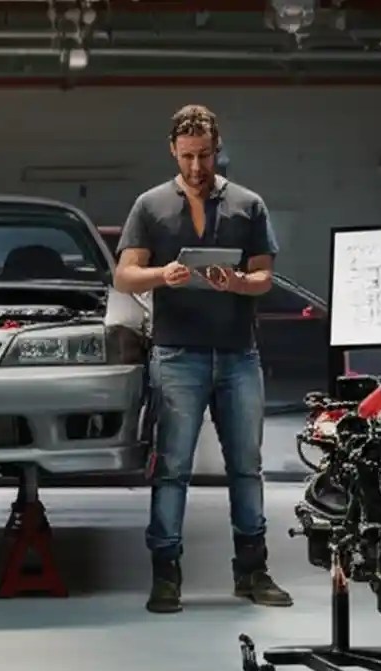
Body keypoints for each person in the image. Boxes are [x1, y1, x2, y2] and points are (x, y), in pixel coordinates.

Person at [113, 104, 293, 614]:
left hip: (238, 355)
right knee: (171, 469)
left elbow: (264, 277)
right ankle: (166, 576)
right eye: (189, 156)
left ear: (218, 150)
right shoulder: (149, 205)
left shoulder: (248, 205)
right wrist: (161, 275)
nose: (197, 167)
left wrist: (235, 283)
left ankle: (252, 571)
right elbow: (123, 275)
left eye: (206, 155)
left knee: (247, 467)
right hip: (176, 355)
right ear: (173, 150)